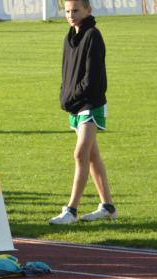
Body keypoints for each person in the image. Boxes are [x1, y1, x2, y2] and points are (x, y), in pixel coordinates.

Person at [49, 0, 115, 224]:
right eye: (67, 11)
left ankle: (71, 210)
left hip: (90, 103)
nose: (71, 15)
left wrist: (72, 96)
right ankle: (108, 207)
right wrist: (64, 95)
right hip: (74, 104)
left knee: (80, 154)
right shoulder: (69, 37)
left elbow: (92, 79)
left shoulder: (93, 36)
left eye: (76, 10)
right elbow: (66, 72)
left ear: (88, 10)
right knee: (92, 156)